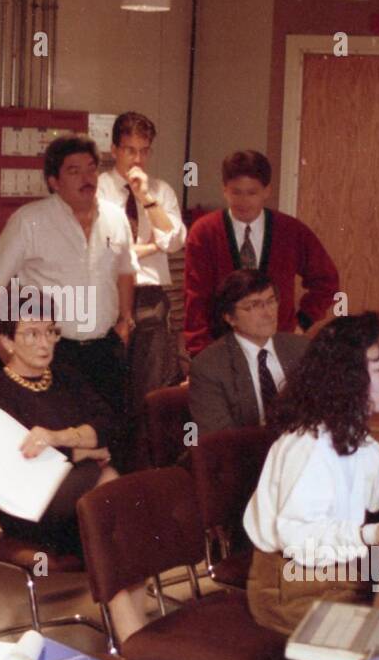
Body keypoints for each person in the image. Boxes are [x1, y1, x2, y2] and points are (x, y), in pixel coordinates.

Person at [243, 313, 379, 634]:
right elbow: (299, 539)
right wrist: (371, 535)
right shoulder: (309, 446)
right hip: (289, 583)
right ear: (345, 379)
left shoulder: (345, 428)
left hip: (324, 566)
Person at [0, 316, 149, 644]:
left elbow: (111, 425)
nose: (45, 343)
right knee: (116, 510)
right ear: (7, 341)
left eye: (51, 332)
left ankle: (134, 643)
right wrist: (82, 449)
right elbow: (19, 464)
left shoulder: (67, 377)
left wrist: (58, 438)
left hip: (85, 501)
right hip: (34, 507)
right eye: (32, 334)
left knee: (112, 526)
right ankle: (138, 650)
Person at [0, 134, 136, 468]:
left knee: (112, 436)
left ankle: (102, 512)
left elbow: (125, 270)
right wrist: (15, 336)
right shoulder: (29, 220)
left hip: (105, 348)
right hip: (53, 351)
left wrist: (125, 318)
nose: (87, 179)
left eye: (92, 169)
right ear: (53, 181)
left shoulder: (115, 217)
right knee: (61, 447)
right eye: (74, 171)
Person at [183, 150, 339, 357]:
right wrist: (200, 354)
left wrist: (302, 322)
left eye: (252, 193)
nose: (243, 201)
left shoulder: (291, 230)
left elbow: (327, 281)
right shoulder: (204, 232)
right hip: (222, 348)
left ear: (267, 191)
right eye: (236, 192)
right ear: (224, 190)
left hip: (278, 344)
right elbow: (196, 299)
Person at [95, 112, 187, 465]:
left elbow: (175, 240)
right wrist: (151, 247)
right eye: (129, 150)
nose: (137, 159)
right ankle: (112, 467)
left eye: (144, 151)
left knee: (149, 389)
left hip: (149, 296)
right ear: (114, 149)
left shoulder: (159, 190)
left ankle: (142, 469)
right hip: (107, 294)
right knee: (112, 386)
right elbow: (105, 248)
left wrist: (146, 197)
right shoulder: (99, 188)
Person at [188, 269, 308, 435]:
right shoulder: (209, 367)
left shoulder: (302, 349)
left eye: (271, 301)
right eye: (253, 306)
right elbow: (219, 439)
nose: (268, 313)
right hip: (244, 456)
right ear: (229, 317)